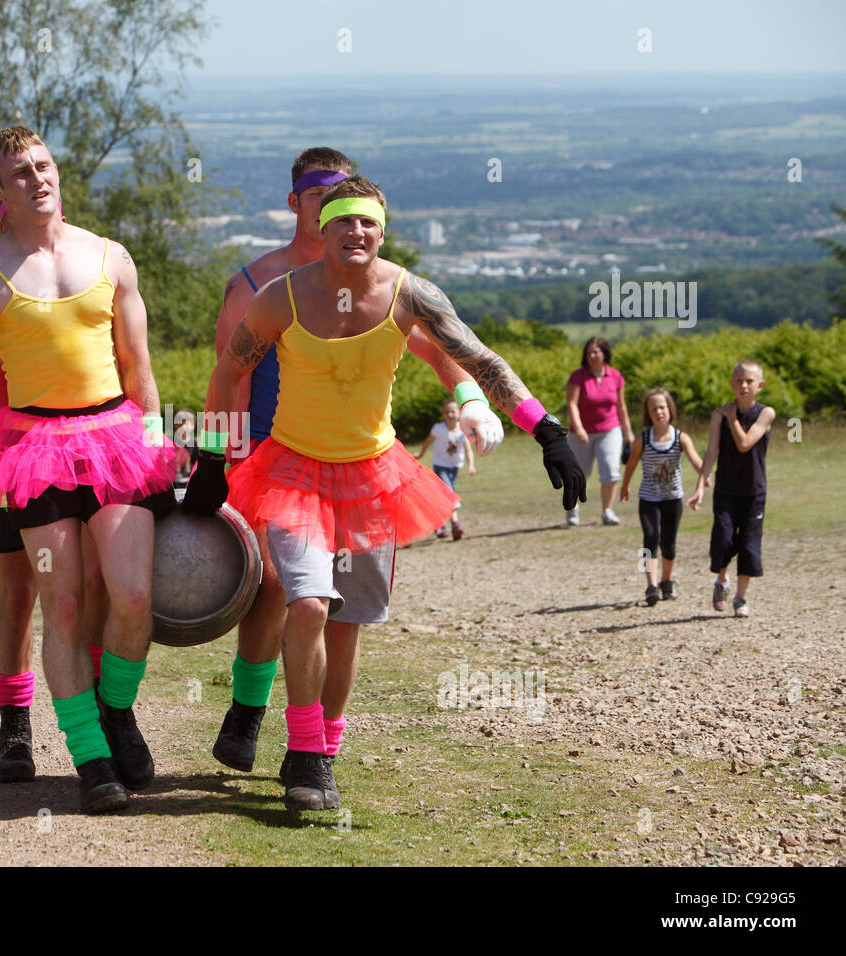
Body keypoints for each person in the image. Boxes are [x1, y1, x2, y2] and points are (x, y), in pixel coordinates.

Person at [186, 175, 584, 810]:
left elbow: (479, 359)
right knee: (309, 604)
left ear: (382, 230)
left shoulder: (411, 295)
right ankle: (304, 753)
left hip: (372, 477)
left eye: (368, 223)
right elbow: (231, 367)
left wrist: (548, 428)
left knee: (347, 625)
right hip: (292, 472)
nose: (356, 232)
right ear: (323, 229)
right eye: (343, 221)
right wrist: (210, 454)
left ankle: (323, 754)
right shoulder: (279, 298)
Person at [0, 126, 184, 814]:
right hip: (34, 453)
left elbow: (138, 365)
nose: (37, 178)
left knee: (133, 598)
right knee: (64, 605)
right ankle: (92, 758)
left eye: (43, 165)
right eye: (20, 172)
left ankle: (117, 710)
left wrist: (160, 445)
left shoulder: (112, 258)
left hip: (118, 442)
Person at [208, 148, 504, 776]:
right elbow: (229, 369)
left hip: (364, 463)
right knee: (281, 594)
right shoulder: (258, 285)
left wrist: (474, 399)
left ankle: (310, 746)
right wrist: (220, 456)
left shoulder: (388, 289)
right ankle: (252, 713)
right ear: (301, 207)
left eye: (356, 206)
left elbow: (442, 346)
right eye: (327, 200)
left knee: (337, 612)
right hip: (273, 454)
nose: (346, 218)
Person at [0, 360, 111, 783]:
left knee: (90, 585)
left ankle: (103, 717)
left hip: (79, 445)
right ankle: (15, 727)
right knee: (18, 593)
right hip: (7, 448)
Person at [686, 360, 775, 618]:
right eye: (739, 380)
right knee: (723, 540)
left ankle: (740, 598)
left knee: (749, 545)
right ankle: (721, 582)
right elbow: (711, 451)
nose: (744, 385)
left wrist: (733, 417)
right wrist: (700, 486)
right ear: (731, 383)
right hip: (725, 489)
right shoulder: (719, 415)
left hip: (754, 492)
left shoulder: (766, 413)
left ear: (760, 385)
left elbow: (745, 443)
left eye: (749, 381)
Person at [620, 388, 704, 605]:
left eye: (662, 407)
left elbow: (696, 461)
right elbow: (631, 465)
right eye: (653, 408)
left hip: (673, 499)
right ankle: (650, 586)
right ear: (648, 413)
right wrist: (625, 486)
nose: (658, 411)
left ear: (669, 409)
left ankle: (666, 581)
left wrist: (705, 475)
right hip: (649, 498)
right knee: (650, 539)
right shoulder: (643, 439)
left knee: (669, 543)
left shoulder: (681, 438)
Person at [564, 336, 632, 526]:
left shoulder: (616, 376)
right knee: (578, 474)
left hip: (610, 430)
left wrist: (628, 432)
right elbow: (572, 404)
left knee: (610, 471)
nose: (592, 356)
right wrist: (578, 428)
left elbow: (621, 406)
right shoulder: (578, 377)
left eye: (596, 352)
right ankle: (573, 509)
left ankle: (607, 511)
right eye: (589, 353)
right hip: (581, 433)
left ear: (605, 354)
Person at [415, 397, 476, 540]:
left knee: (445, 496)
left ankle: (439, 525)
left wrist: (471, 465)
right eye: (447, 412)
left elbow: (468, 450)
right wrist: (421, 453)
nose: (450, 414)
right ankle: (455, 523)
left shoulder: (463, 430)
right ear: (443, 414)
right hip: (440, 465)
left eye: (453, 411)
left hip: (454, 467)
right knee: (449, 493)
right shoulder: (438, 428)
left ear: (459, 413)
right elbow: (427, 442)